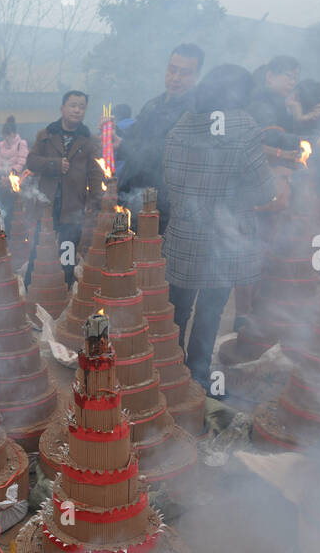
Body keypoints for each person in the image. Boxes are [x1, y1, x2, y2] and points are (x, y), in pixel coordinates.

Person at [163, 64, 277, 393]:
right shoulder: (243, 126)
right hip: (224, 239)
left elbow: (171, 182)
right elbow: (265, 190)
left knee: (176, 308)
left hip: (184, 233)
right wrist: (231, 196)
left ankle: (167, 371)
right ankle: (197, 377)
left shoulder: (182, 124)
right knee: (211, 311)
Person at [116, 44, 204, 227]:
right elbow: (134, 136)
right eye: (172, 70)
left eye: (184, 73)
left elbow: (167, 153)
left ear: (196, 77)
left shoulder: (195, 112)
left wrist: (123, 145)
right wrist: (113, 133)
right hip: (130, 195)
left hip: (163, 208)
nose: (176, 78)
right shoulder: (153, 104)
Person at [26, 90, 104, 289]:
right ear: (62, 108)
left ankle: (64, 287)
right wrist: (54, 164)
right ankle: (31, 287)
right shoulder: (45, 135)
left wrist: (96, 202)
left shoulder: (89, 141)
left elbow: (96, 174)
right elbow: (31, 162)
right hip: (47, 204)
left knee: (67, 251)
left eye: (82, 107)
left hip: (73, 207)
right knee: (39, 248)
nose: (77, 110)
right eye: (73, 105)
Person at [246, 55, 302, 151]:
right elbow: (272, 138)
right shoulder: (260, 102)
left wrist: (298, 117)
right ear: (270, 77)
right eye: (288, 76)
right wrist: (312, 141)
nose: (293, 82)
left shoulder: (278, 103)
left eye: (295, 78)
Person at [0, 116, 29, 234]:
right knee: (3, 209)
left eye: (8, 136)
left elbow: (22, 161)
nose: (6, 139)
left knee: (15, 209)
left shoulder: (21, 144)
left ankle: (17, 234)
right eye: (4, 136)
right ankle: (6, 233)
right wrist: (1, 173)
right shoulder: (0, 146)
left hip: (16, 181)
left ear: (13, 134)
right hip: (3, 180)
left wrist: (10, 175)